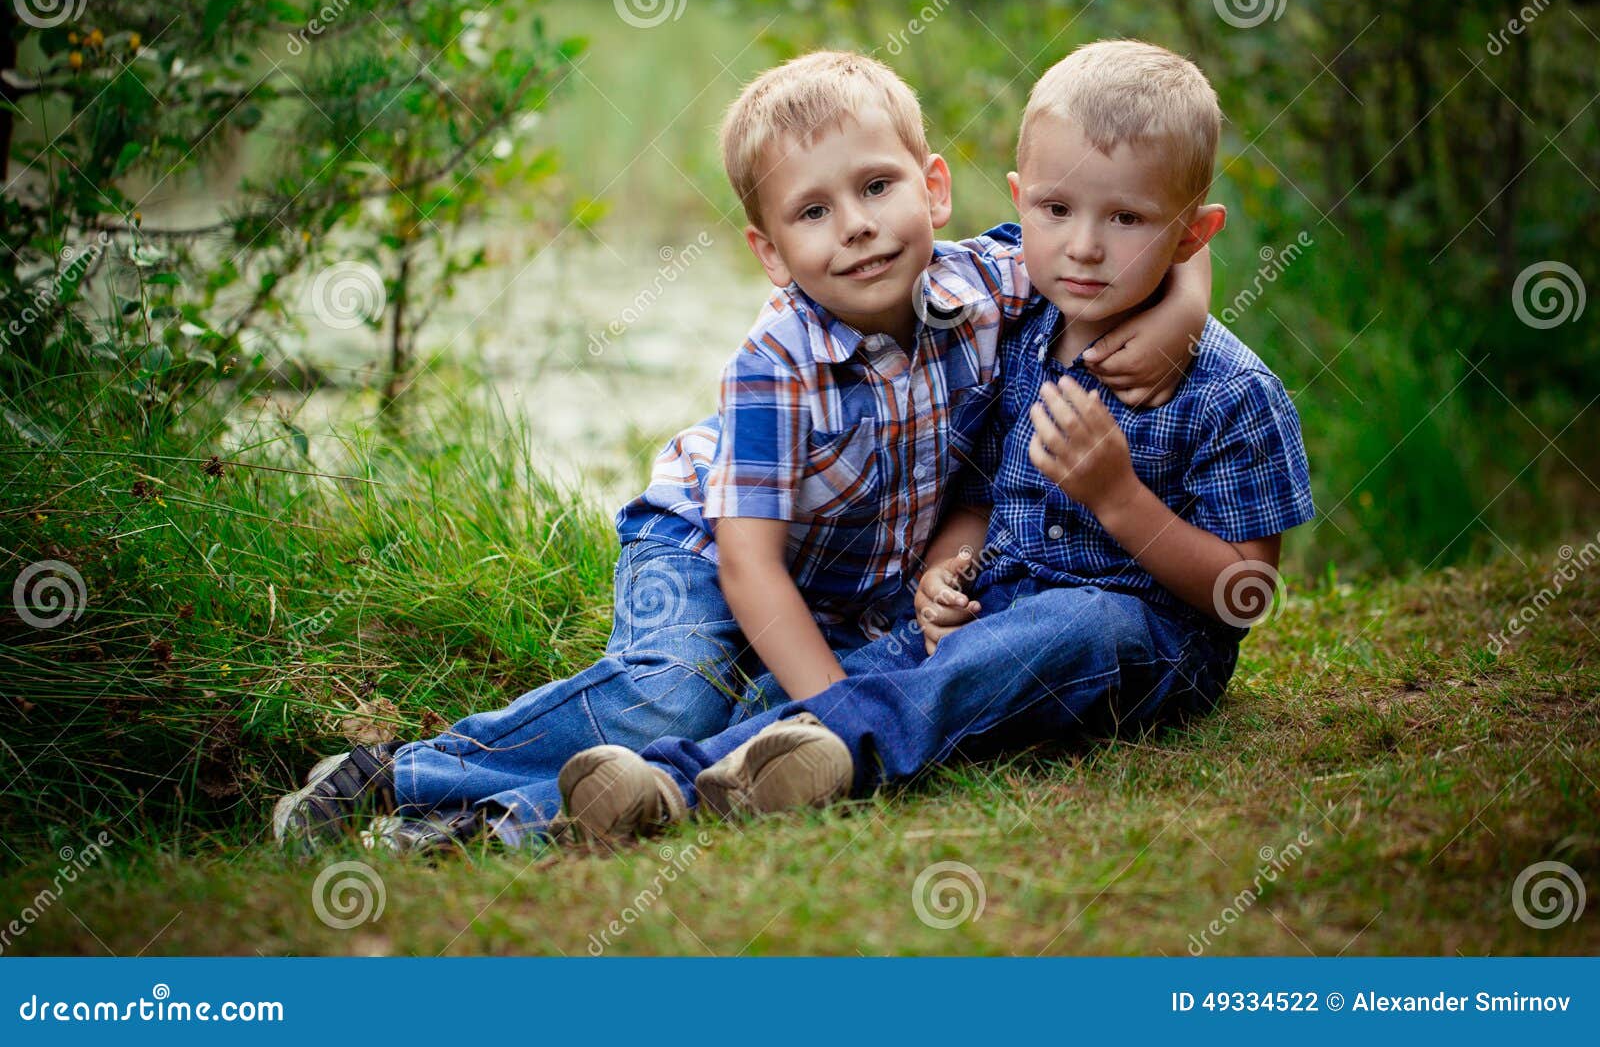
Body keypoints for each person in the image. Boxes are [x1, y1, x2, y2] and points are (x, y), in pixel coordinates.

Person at [272, 49, 1211, 855]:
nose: (855, 225)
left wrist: (1185, 310)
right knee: (674, 697)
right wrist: (837, 709)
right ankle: (398, 775)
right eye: (813, 211)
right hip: (704, 548)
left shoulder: (989, 284)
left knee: (756, 710)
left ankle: (498, 824)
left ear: (933, 187)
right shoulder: (776, 363)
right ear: (770, 251)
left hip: (851, 584)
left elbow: (1152, 229)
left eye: (876, 187)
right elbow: (749, 567)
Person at [549, 39, 1314, 844]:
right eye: (1057, 211)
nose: (1085, 245)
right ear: (1022, 202)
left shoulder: (1230, 392)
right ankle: (668, 786)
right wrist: (949, 565)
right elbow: (980, 492)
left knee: (1070, 627)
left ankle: (839, 747)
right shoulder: (1021, 322)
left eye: (1125, 219)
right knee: (860, 669)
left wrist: (1120, 500)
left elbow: (1246, 595)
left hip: (1141, 634)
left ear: (1191, 236)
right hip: (993, 606)